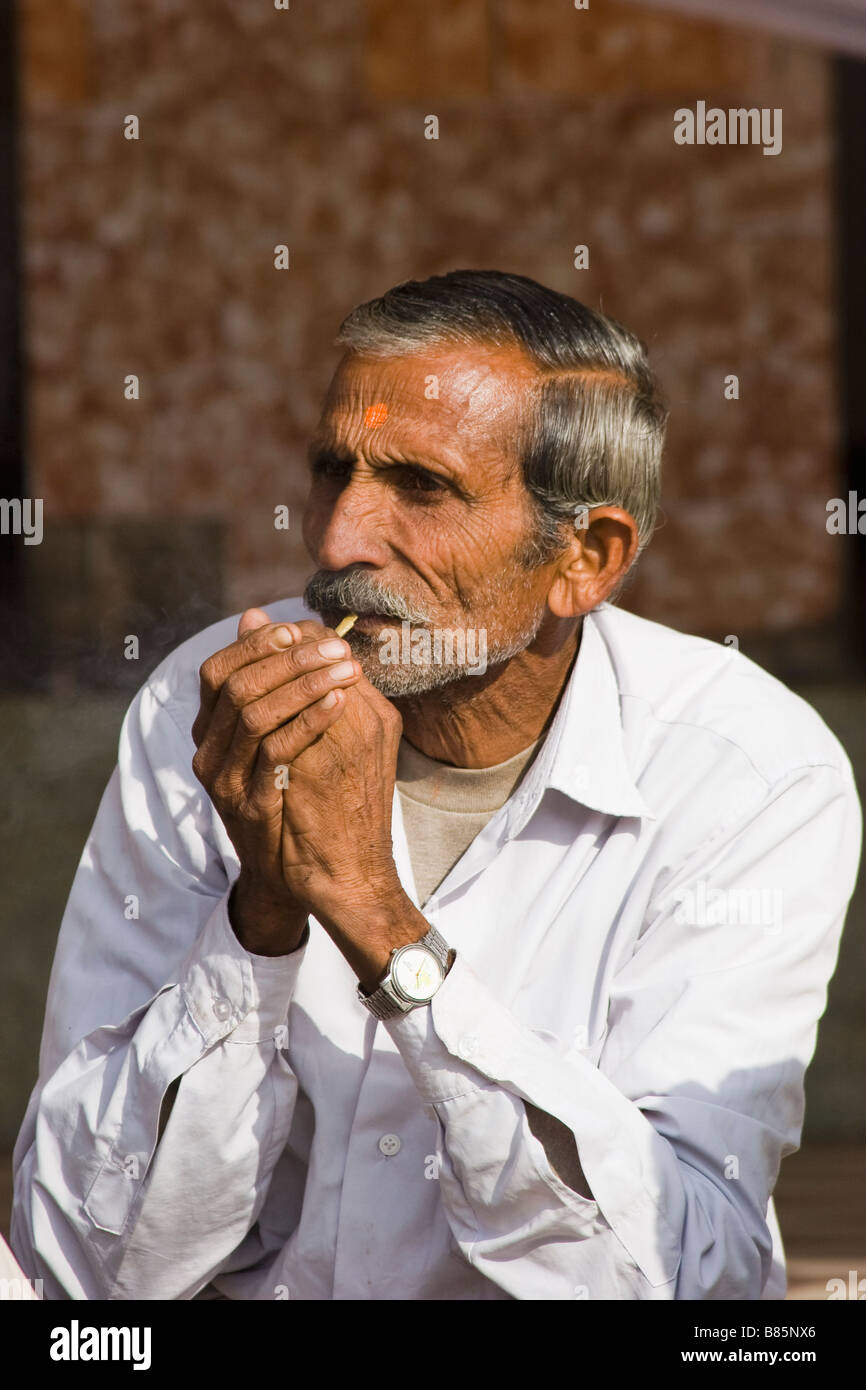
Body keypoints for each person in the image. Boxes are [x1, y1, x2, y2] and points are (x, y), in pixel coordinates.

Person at [11, 270, 861, 1299]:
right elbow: (82, 1270)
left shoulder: (748, 774)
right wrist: (261, 915)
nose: (337, 542)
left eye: (421, 488)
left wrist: (375, 916)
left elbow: (679, 1282)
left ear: (583, 559)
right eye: (334, 471)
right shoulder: (208, 711)